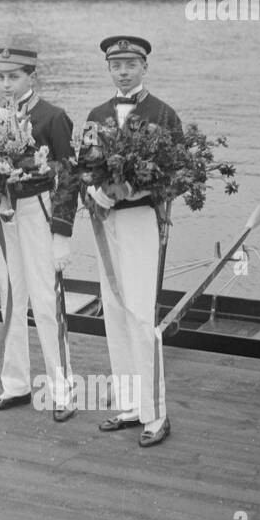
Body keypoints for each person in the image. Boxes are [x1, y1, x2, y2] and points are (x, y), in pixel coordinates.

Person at [85, 35, 180, 448]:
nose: (123, 71)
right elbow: (84, 167)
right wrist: (96, 193)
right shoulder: (97, 114)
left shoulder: (163, 113)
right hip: (106, 222)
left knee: (142, 317)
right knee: (115, 313)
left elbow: (177, 174)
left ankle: (155, 414)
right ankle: (129, 404)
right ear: (108, 69)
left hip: (142, 219)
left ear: (144, 67)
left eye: (131, 64)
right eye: (116, 65)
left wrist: (135, 192)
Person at [0, 45, 79, 422]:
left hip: (39, 211)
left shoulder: (52, 117)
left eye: (14, 76)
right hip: (6, 214)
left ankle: (63, 390)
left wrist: (62, 233)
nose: (7, 84)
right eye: (2, 77)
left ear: (31, 76)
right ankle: (16, 384)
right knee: (10, 299)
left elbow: (70, 175)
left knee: (45, 302)